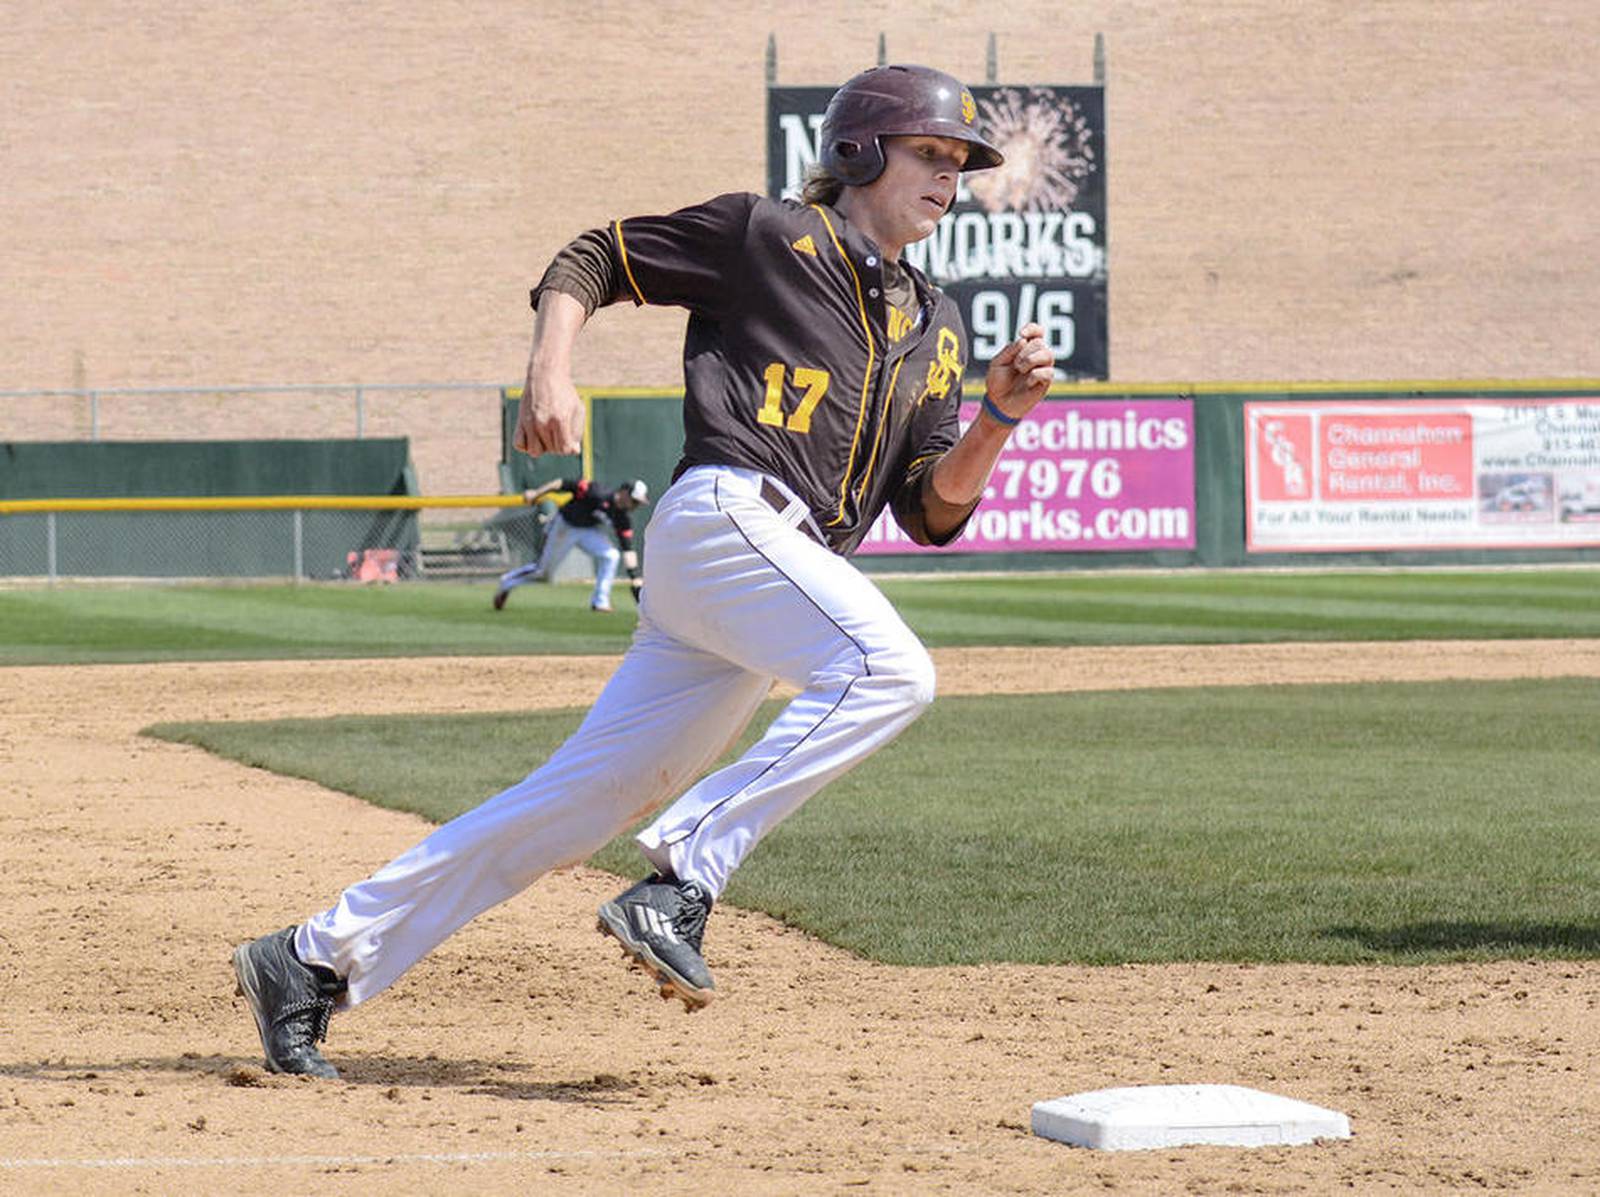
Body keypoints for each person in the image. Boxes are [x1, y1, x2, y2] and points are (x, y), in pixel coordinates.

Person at [231, 63, 1054, 1079]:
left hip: (766, 570)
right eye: (930, 153)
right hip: (726, 518)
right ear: (858, 150)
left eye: (961, 164)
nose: (949, 177)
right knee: (891, 672)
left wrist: (1000, 417)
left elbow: (929, 511)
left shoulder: (935, 323)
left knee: (581, 802)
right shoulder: (768, 236)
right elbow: (595, 258)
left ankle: (309, 960)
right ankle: (680, 883)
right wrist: (549, 372)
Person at [492, 477, 648, 613]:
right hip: (565, 525)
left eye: (638, 503)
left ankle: (600, 602)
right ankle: (507, 581)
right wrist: (537, 493)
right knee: (543, 573)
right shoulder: (597, 492)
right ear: (624, 492)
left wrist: (635, 578)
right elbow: (561, 483)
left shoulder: (623, 517)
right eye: (634, 500)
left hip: (587, 531)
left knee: (611, 556)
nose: (636, 505)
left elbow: (628, 549)